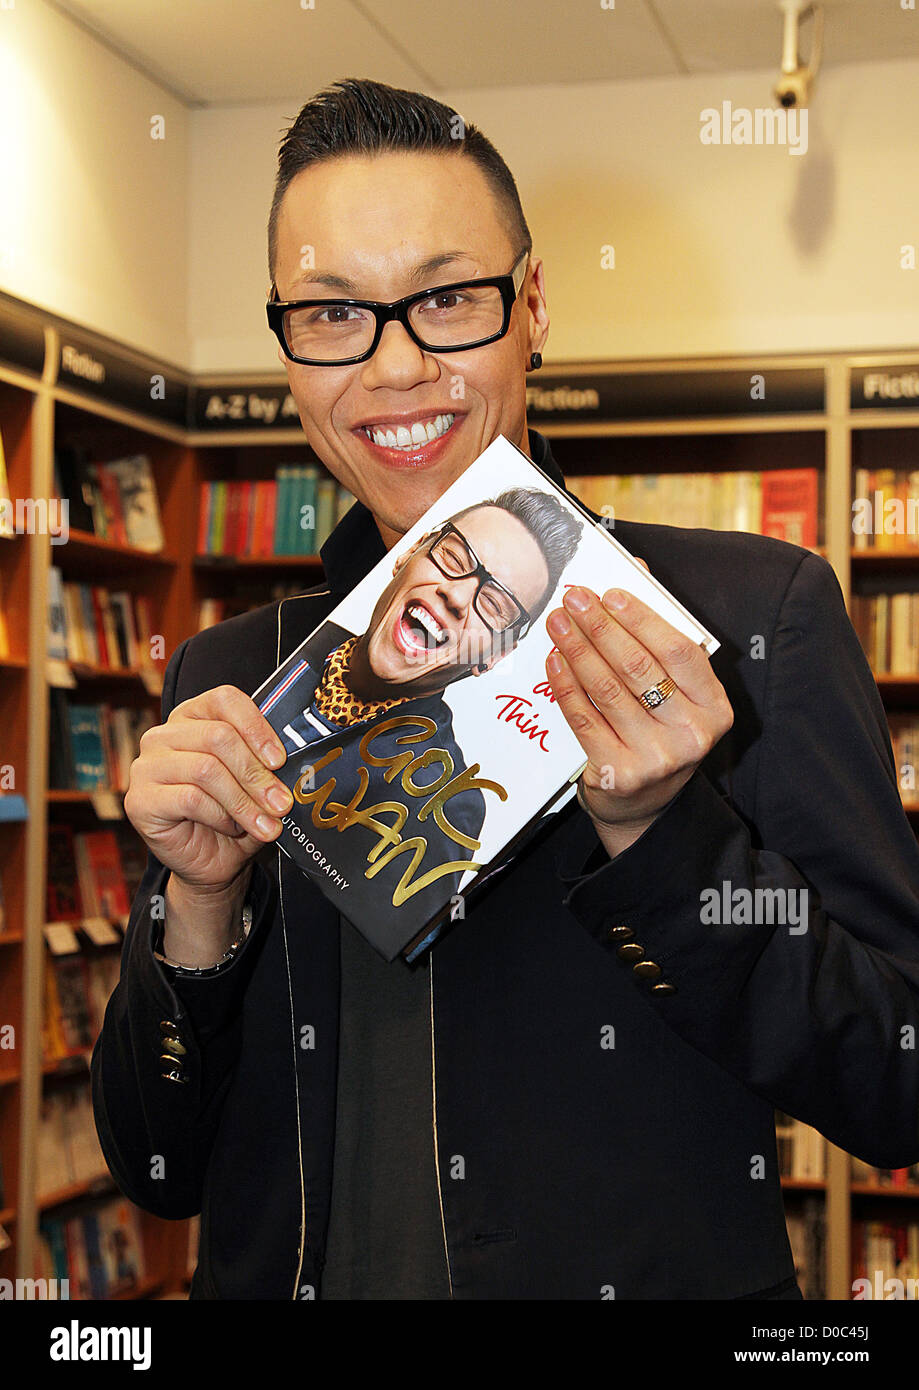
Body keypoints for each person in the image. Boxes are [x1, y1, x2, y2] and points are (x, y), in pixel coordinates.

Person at [92, 78, 919, 1300]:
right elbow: (158, 1164)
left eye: (445, 298)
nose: (393, 366)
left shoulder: (748, 621)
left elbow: (897, 1084)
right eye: (331, 313)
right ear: (287, 348)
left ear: (531, 305)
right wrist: (200, 910)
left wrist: (663, 840)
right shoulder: (233, 676)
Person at [252, 490, 581, 956]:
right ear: (410, 551)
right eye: (453, 556)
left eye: (495, 606)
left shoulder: (450, 803)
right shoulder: (269, 656)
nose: (457, 594)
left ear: (495, 656)